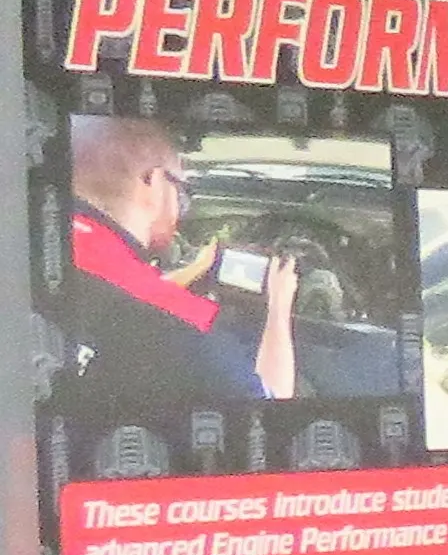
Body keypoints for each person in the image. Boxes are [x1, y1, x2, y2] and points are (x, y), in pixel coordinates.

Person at [58, 112, 298, 425]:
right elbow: (270, 414)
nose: (181, 209)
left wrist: (193, 271)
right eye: (182, 193)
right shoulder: (188, 327)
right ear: (153, 182)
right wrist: (279, 309)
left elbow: (124, 289)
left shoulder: (36, 245)